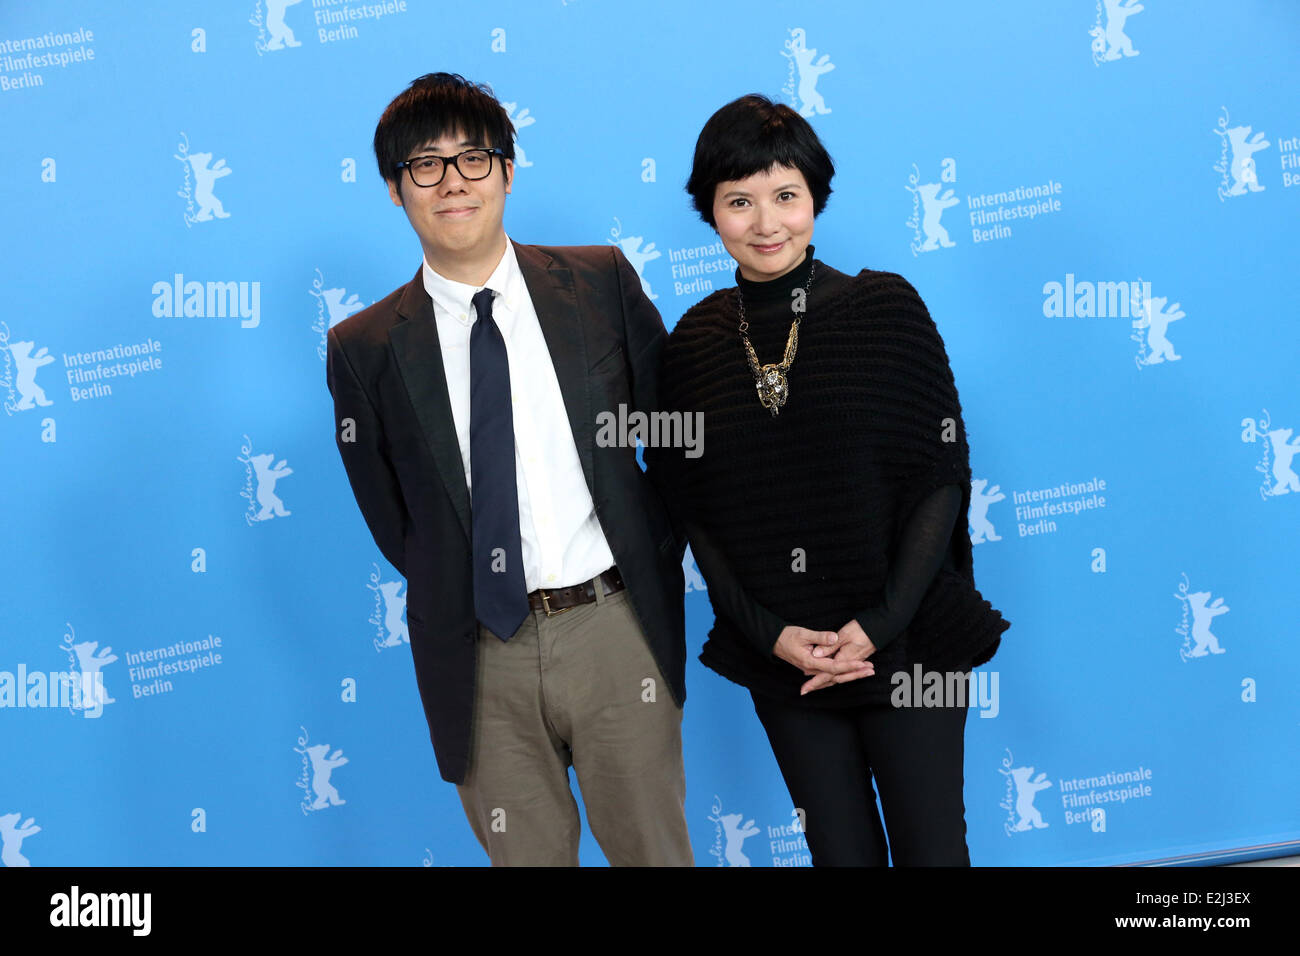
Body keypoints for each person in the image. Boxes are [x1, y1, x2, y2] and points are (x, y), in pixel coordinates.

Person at [326, 73, 693, 866]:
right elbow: (393, 518)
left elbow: (672, 440)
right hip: (477, 652)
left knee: (656, 855)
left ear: (508, 170)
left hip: (613, 630)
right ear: (395, 189)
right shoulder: (364, 349)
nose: (453, 181)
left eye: (474, 158)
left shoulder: (599, 282)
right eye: (425, 164)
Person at [659, 94, 1010, 866]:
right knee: (840, 854)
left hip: (910, 638)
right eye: (739, 201)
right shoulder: (692, 344)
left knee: (932, 847)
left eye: (785, 196)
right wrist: (770, 634)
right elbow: (694, 515)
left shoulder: (884, 307)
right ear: (710, 212)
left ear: (815, 196)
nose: (766, 222)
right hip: (785, 657)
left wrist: (879, 626)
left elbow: (937, 479)